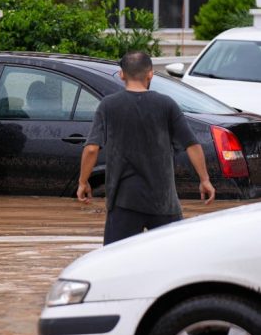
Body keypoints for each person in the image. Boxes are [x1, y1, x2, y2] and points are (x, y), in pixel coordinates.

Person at [77, 50, 215, 245]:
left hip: (123, 201)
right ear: (150, 74)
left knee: (116, 258)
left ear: (122, 74)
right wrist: (205, 180)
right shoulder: (166, 104)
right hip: (163, 201)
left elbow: (92, 148)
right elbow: (192, 145)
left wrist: (83, 182)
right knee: (173, 257)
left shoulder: (108, 105)